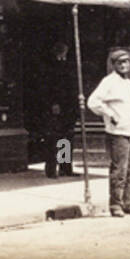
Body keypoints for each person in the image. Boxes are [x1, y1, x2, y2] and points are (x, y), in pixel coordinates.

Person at [87, 48, 130, 217]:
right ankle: (115, 205)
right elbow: (93, 102)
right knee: (120, 170)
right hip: (117, 132)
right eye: (120, 62)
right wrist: (111, 115)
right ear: (114, 65)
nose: (124, 65)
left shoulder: (128, 83)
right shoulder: (108, 82)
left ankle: (128, 203)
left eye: (126, 62)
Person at [38, 39, 77, 179]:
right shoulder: (50, 67)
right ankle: (51, 169)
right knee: (54, 138)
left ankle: (65, 167)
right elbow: (48, 87)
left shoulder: (68, 65)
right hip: (56, 106)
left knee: (66, 137)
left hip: (68, 107)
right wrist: (53, 103)